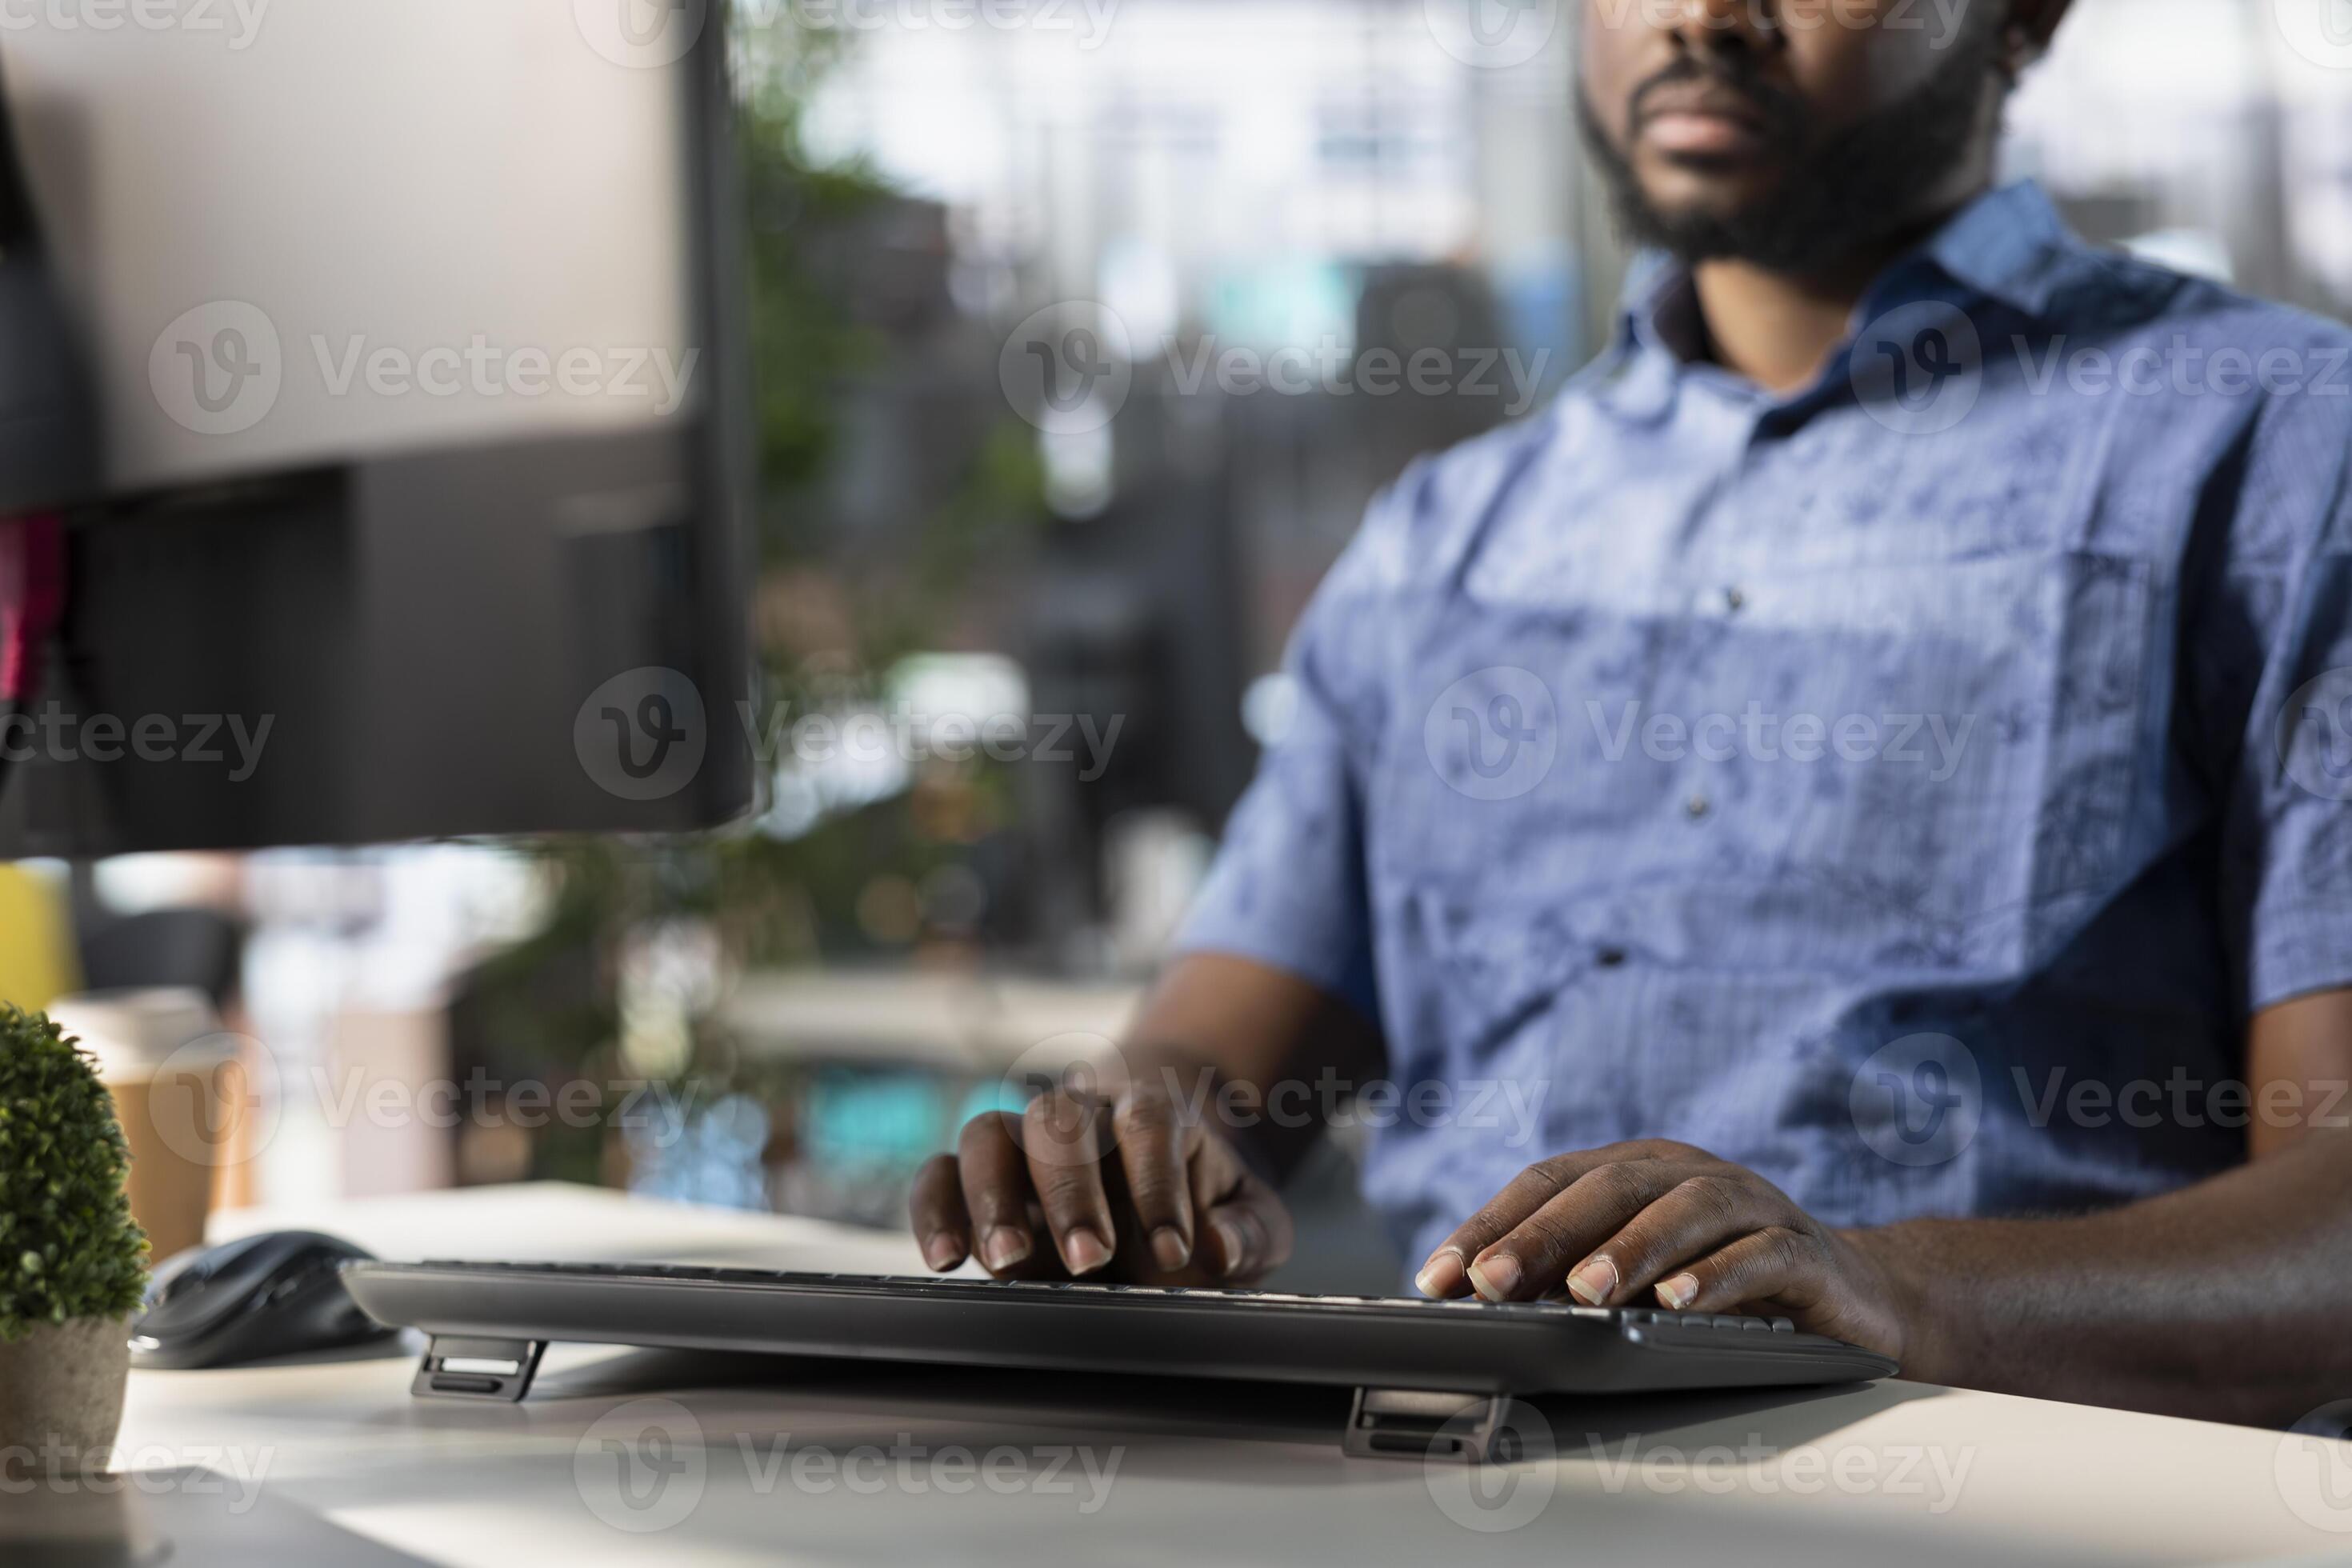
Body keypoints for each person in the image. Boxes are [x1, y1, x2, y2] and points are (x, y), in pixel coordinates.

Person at [913, 0, 2352, 1428]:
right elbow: (1208, 1074)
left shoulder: (2281, 440)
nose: (1704, 17)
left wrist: (1891, 1299)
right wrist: (1111, 1154)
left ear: (2023, 19)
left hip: (2015, 1503)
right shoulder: (1444, 540)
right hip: (1438, 1490)